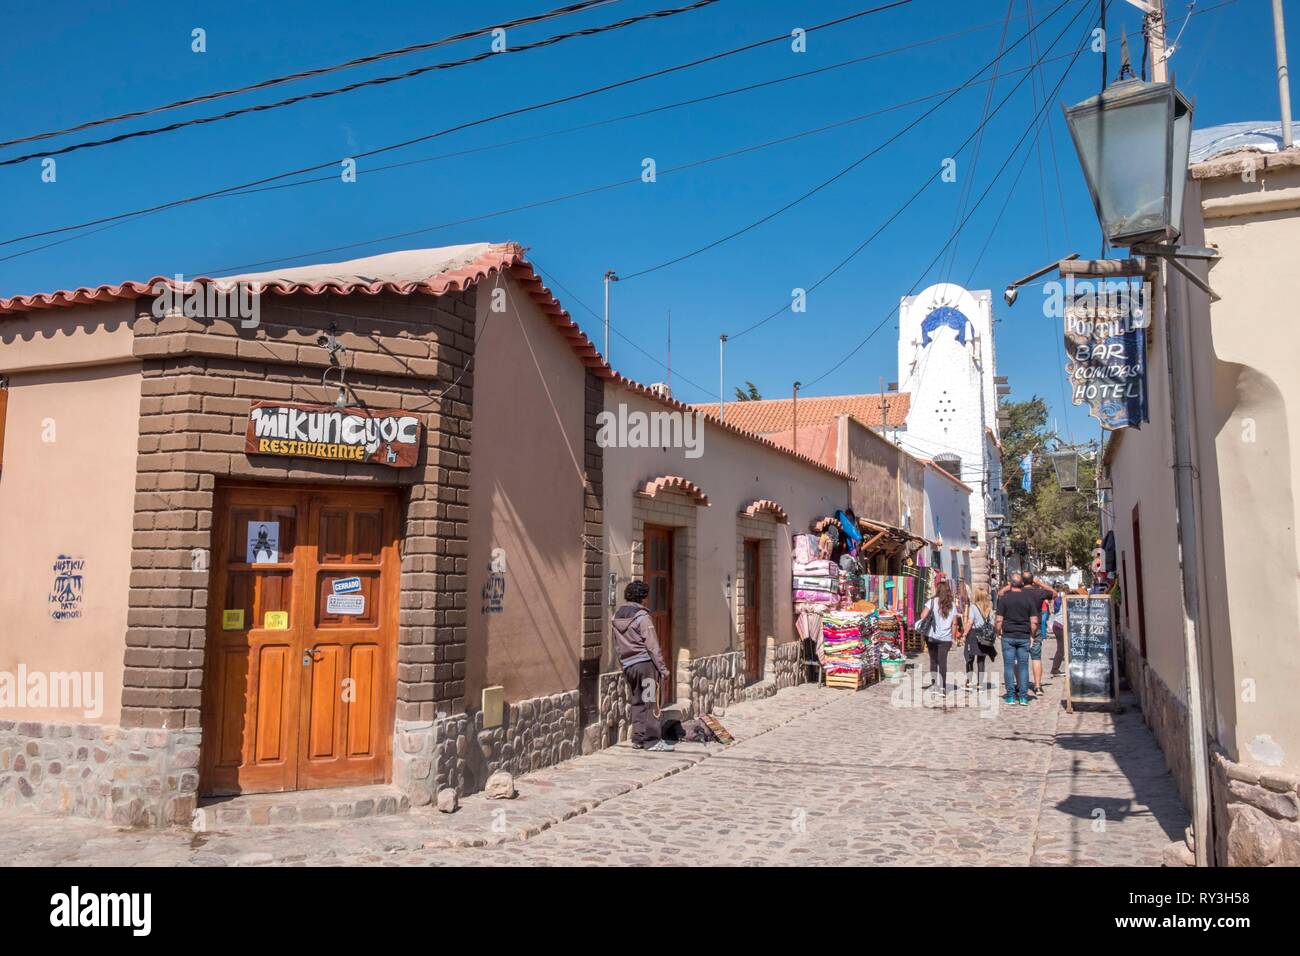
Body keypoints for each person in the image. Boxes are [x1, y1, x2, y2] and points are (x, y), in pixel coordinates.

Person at [611, 581, 673, 751]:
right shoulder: (642, 616)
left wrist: (624, 664)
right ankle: (652, 741)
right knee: (650, 701)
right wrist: (662, 669)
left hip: (629, 666)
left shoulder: (616, 616)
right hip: (645, 665)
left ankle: (638, 739)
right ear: (643, 597)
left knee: (637, 701)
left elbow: (616, 644)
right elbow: (652, 645)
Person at [915, 577, 962, 707]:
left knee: (933, 661)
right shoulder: (952, 605)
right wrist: (953, 638)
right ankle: (943, 688)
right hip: (946, 638)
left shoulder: (931, 602)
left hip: (932, 636)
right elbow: (954, 623)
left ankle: (934, 684)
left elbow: (922, 616)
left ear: (937, 590)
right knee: (943, 662)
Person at [995, 572, 1039, 706]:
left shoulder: (1004, 600)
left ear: (1010, 584)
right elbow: (1034, 621)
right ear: (1021, 584)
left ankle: (1010, 696)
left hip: (1008, 636)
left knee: (1008, 666)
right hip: (1024, 636)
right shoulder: (1028, 599)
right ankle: (1024, 697)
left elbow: (998, 620)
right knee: (1023, 667)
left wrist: (998, 632)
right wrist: (1032, 635)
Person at [1021, 574, 1056, 698]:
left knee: (1021, 658)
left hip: (1021, 628)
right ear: (1033, 581)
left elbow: (1001, 593)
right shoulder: (1039, 592)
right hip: (1035, 628)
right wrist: (1040, 583)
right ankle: (1037, 686)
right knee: (1036, 657)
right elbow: (1054, 593)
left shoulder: (1018, 591)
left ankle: (1021, 685)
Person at [961, 586, 996, 690]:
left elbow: (970, 622)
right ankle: (980, 684)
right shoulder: (989, 608)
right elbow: (992, 623)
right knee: (981, 660)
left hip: (973, 635)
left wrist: (964, 634)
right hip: (984, 636)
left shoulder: (973, 607)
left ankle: (969, 682)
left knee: (969, 658)